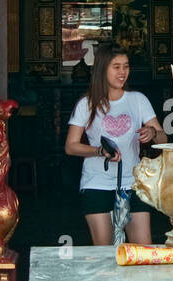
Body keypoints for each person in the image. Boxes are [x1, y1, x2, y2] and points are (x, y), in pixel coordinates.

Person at [65, 43, 165, 246]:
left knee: (142, 250)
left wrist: (153, 132)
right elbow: (71, 146)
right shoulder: (87, 104)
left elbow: (164, 139)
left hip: (133, 183)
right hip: (96, 184)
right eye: (116, 67)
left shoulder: (138, 100)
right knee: (104, 253)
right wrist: (99, 151)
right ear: (103, 69)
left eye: (126, 66)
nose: (122, 72)